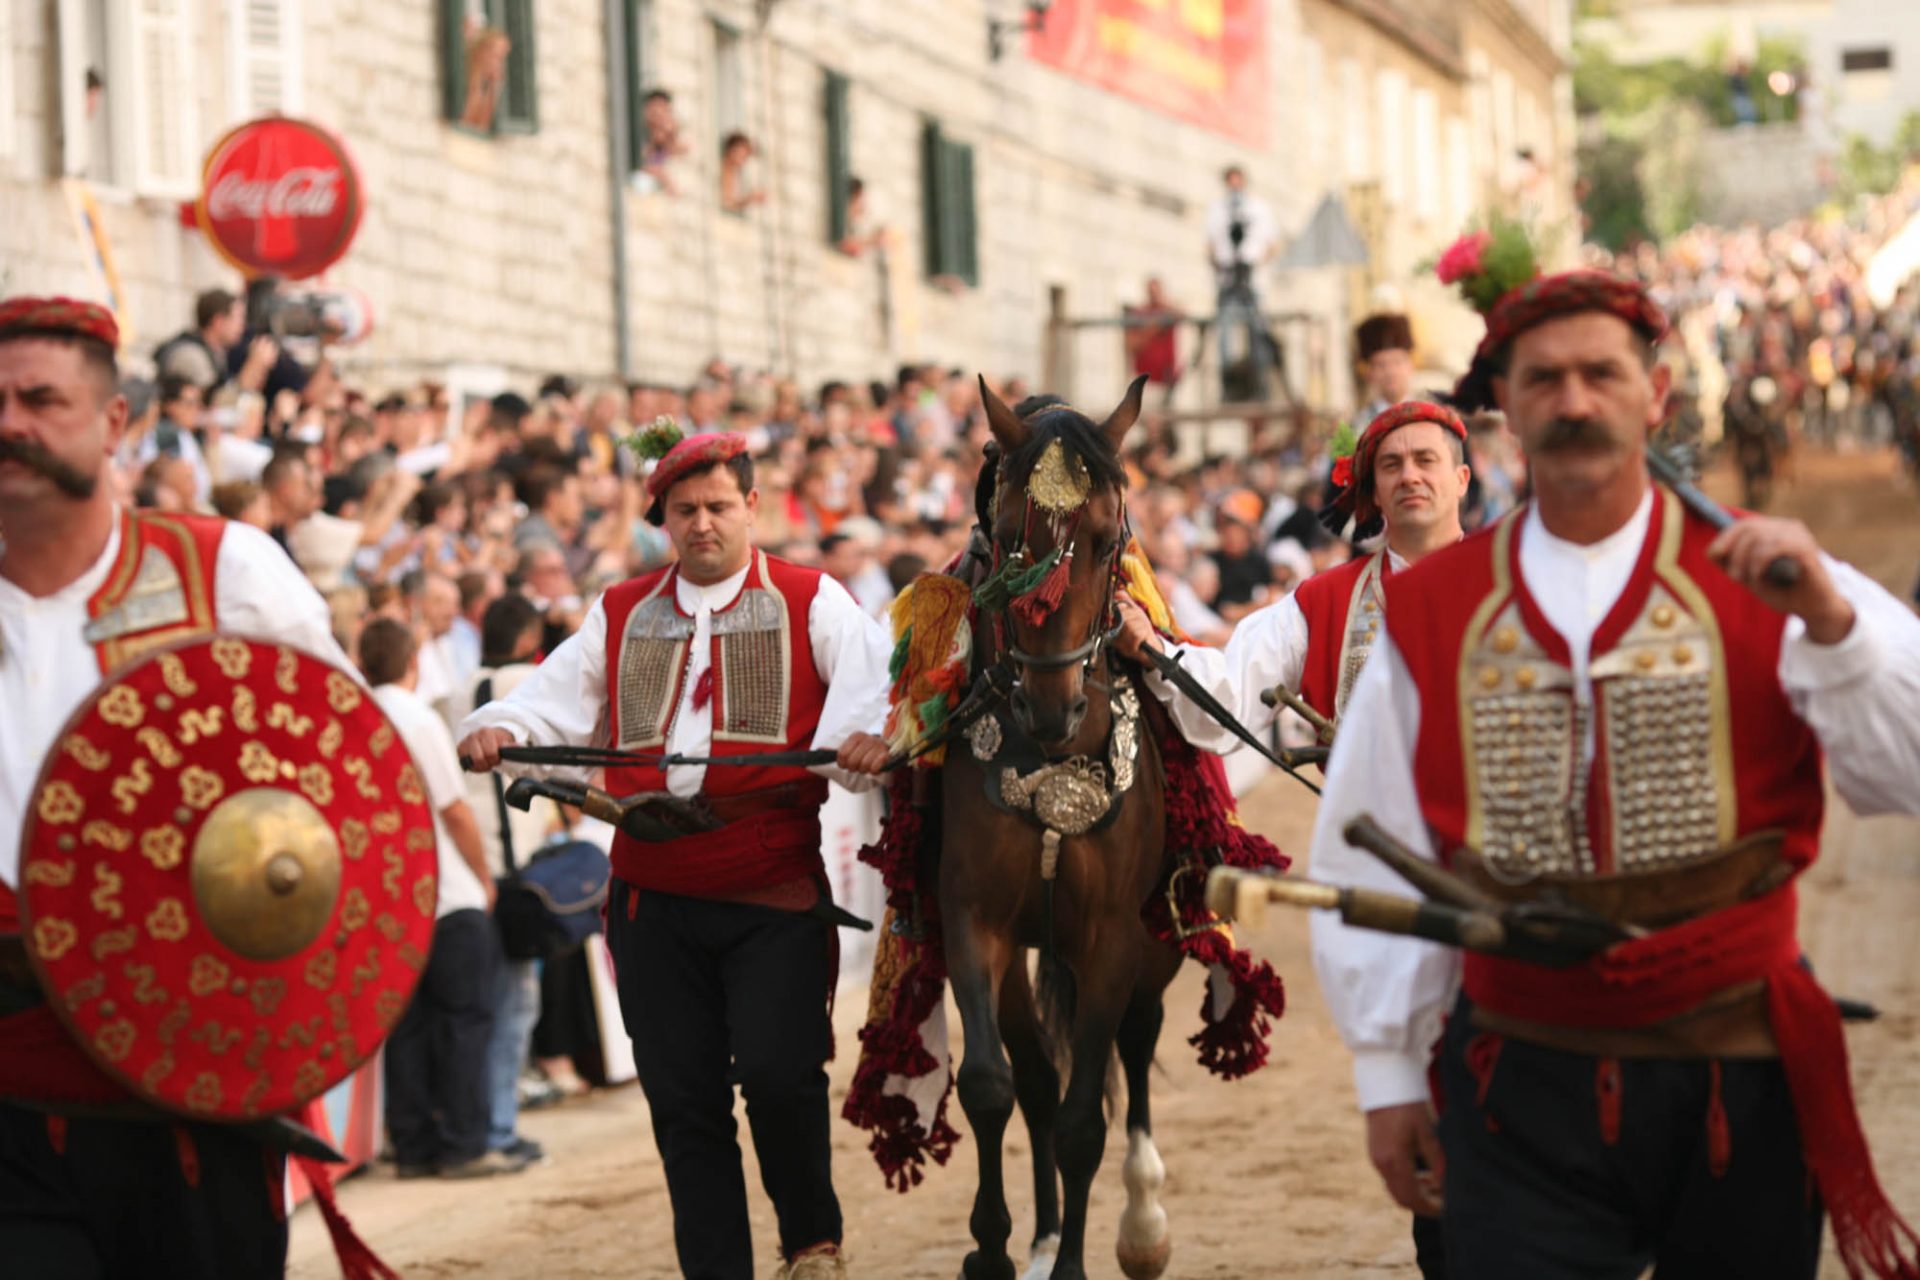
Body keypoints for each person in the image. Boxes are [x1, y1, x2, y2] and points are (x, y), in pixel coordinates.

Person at [1309, 268, 1920, 1279]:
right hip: (1518, 1075)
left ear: (1657, 393)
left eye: (1602, 373)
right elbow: (1373, 836)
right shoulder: (1435, 607)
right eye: (1544, 378)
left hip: (1737, 1066)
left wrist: (1833, 624)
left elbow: (1906, 769)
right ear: (1506, 410)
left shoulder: (1772, 571)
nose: (1576, 399)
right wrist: (1387, 1069)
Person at [456, 429, 895, 1280]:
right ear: (662, 518)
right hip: (652, 897)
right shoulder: (621, 609)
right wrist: (503, 729)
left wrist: (863, 741)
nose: (702, 524)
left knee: (779, 1077)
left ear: (752, 507)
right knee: (684, 1103)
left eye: (718, 506)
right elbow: (549, 698)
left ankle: (812, 1244)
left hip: (771, 888)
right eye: (684, 510)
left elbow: (869, 695)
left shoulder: (813, 598)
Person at [0, 296, 354, 1274]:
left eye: (40, 399)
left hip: (191, 1077)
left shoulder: (223, 570)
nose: (10, 424)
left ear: (115, 421)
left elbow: (344, 777)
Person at [1115, 400, 1471, 736]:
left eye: (1425, 460)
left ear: (1462, 479)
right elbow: (1235, 690)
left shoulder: (1498, 582)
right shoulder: (1326, 599)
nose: (1409, 476)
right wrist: (1156, 652)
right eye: (1391, 465)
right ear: (1376, 491)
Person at [362, 618, 519, 1179]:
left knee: (407, 1027)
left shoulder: (356, 716)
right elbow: (454, 809)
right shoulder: (415, 716)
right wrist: (483, 875)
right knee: (464, 1021)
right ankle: (462, 1143)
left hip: (388, 898)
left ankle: (413, 1145)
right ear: (412, 662)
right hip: (445, 890)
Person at [457, 593, 554, 1164]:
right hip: (518, 869)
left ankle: (485, 1124)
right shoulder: (532, 682)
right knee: (515, 1003)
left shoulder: (452, 692)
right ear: (526, 639)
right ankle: (498, 1127)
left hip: (468, 870)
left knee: (482, 1006)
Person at [1354, 311, 1416, 422]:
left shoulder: (1431, 418)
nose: (1390, 372)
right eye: (1381, 365)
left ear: (1410, 365)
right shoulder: (1360, 424)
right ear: (1369, 372)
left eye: (1397, 362)